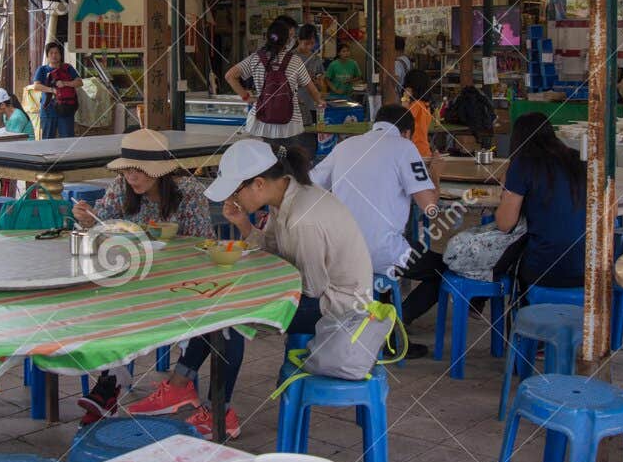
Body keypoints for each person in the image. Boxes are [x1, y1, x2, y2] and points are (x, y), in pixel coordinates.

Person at [127, 139, 374, 439]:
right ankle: (182, 386)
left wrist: (252, 297)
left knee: (230, 320)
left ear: (258, 184)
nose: (232, 198)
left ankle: (222, 413)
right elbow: (271, 249)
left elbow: (311, 288)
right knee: (217, 308)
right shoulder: (286, 200)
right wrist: (244, 224)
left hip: (338, 308)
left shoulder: (303, 218)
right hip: (318, 293)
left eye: (235, 191)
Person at [72, 129, 216, 423]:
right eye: (127, 170)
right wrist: (88, 219)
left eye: (140, 171)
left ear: (160, 172)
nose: (132, 178)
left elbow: (203, 244)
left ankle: (120, 385)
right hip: (133, 277)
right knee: (112, 303)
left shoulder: (188, 193)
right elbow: (101, 226)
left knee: (210, 320)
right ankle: (109, 384)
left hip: (178, 282)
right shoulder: (119, 187)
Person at [312, 103, 438, 355]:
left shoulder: (344, 146)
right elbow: (429, 207)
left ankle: (380, 327)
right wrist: (436, 172)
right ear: (406, 132)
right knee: (442, 272)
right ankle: (393, 331)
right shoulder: (405, 148)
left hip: (340, 253)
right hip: (384, 254)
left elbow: (311, 186)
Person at [494, 111, 586, 290]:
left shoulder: (523, 164)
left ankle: (490, 300)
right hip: (588, 268)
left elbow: (505, 224)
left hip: (544, 270)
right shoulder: (578, 160)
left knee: (508, 250)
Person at [225, 15, 319, 142]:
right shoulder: (295, 61)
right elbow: (311, 89)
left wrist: (247, 97)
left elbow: (229, 76)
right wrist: (320, 102)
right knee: (289, 158)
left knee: (265, 159)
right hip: (290, 122)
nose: (292, 39)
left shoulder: (255, 58)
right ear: (286, 40)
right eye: (291, 37)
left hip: (261, 119)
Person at [29, 41, 82, 138]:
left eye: (56, 53)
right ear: (47, 56)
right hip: (48, 110)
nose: (54, 55)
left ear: (60, 55)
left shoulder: (68, 68)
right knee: (48, 139)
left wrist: (65, 83)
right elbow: (36, 86)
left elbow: (79, 82)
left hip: (66, 109)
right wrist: (52, 90)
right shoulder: (42, 70)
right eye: (51, 53)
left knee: (67, 138)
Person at [294, 24, 328, 156]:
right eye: (306, 43)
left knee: (311, 142)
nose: (309, 47)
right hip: (296, 106)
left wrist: (317, 82)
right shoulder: (291, 58)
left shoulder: (316, 59)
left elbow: (321, 85)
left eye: (312, 43)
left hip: (313, 106)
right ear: (298, 40)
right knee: (296, 141)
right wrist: (303, 79)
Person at [402, 69, 436, 159]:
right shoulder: (425, 104)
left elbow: (402, 120)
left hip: (415, 152)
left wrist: (405, 98)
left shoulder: (416, 105)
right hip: (423, 150)